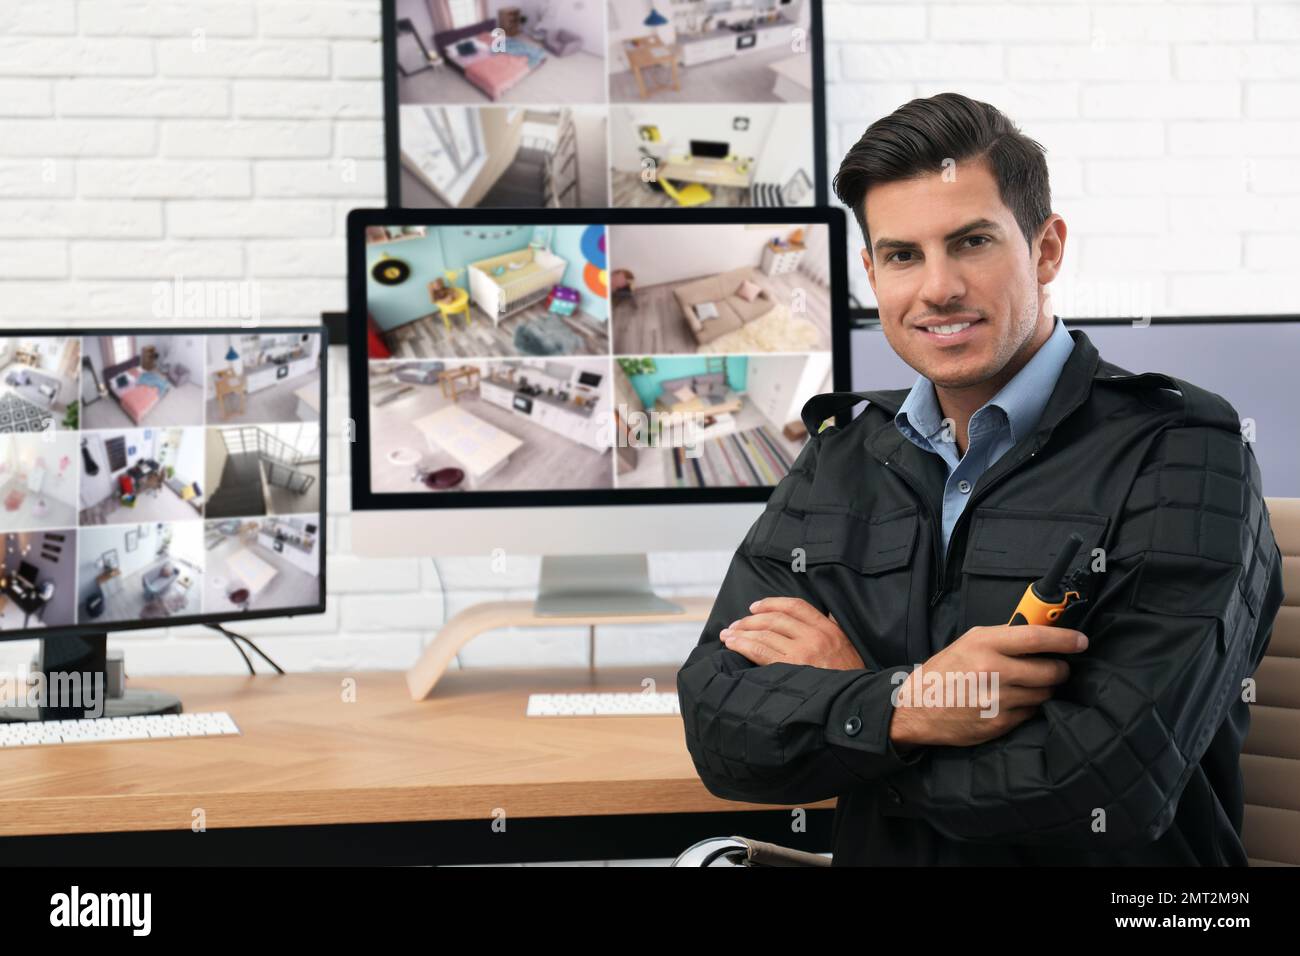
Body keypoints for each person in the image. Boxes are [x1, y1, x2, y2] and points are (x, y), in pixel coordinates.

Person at [677, 93, 1285, 866]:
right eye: (902, 256)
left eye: (971, 242)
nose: (937, 289)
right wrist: (910, 704)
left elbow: (1104, 787)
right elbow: (720, 730)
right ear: (870, 273)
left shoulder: (1185, 452)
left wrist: (851, 710)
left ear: (1047, 248)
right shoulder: (844, 454)